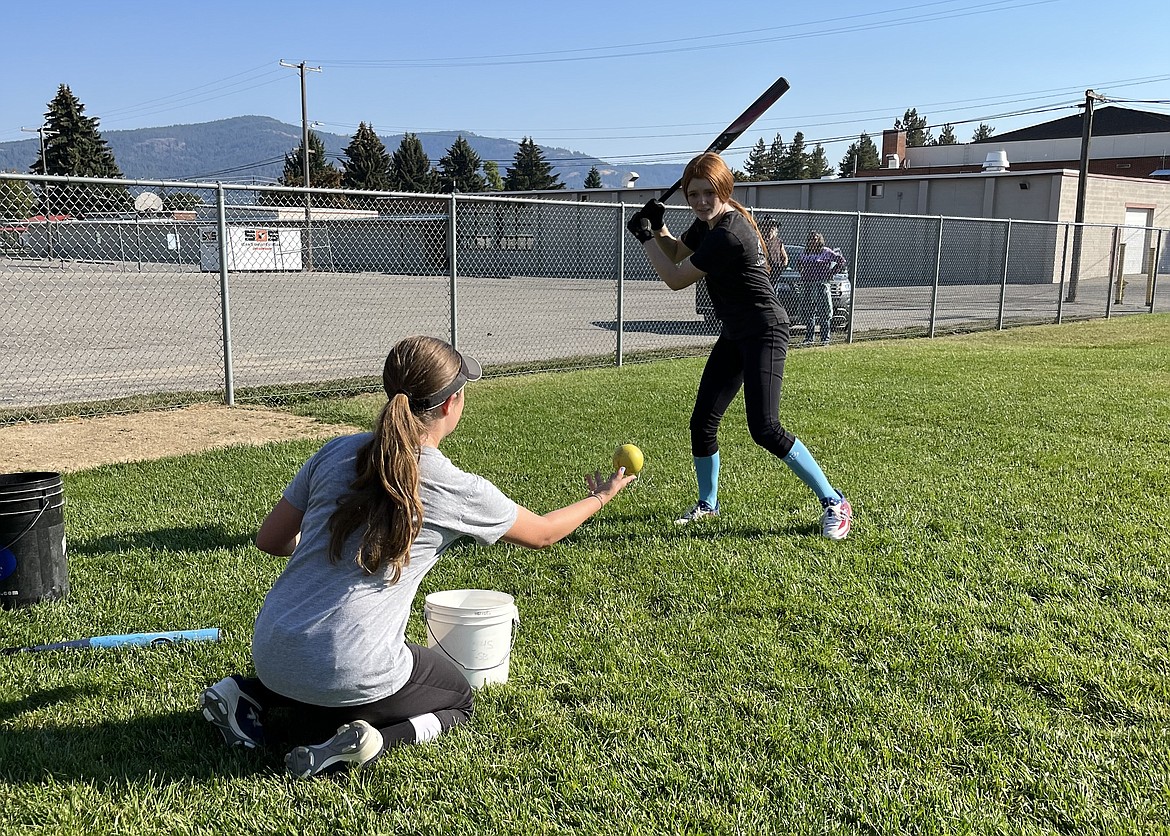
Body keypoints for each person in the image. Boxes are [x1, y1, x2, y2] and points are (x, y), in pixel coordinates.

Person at [200, 336, 636, 779]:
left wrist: (319, 551)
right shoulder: (454, 487)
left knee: (324, 673)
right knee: (458, 698)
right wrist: (601, 498)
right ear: (451, 405)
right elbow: (544, 535)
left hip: (270, 652)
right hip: (350, 668)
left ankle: (242, 693)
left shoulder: (332, 452)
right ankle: (368, 743)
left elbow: (270, 540)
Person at [626, 152, 852, 538]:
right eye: (691, 193)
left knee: (765, 428)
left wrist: (644, 234)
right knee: (702, 422)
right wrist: (661, 231)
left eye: (707, 193)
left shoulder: (730, 232)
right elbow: (679, 252)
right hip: (735, 332)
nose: (698, 201)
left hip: (765, 330)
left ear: (724, 190)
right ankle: (708, 504)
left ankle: (835, 501)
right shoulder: (709, 224)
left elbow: (677, 278)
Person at [794, 232, 846, 346]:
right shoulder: (805, 252)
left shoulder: (825, 251)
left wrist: (831, 273)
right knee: (809, 312)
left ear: (820, 240)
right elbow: (798, 263)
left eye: (815, 239)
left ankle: (825, 339)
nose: (813, 241)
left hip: (821, 285)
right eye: (811, 239)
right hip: (808, 285)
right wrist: (802, 272)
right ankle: (809, 338)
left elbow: (841, 260)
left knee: (824, 312)